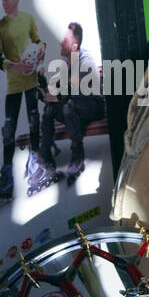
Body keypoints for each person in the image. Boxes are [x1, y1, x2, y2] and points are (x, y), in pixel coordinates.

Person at [0, 0, 46, 200]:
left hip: (31, 83)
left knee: (34, 124)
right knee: (8, 132)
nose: (4, 2)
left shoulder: (29, 19)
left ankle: (36, 166)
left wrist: (41, 49)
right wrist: (15, 65)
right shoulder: (0, 27)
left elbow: (39, 42)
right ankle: (7, 179)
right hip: (13, 86)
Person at [41, 22, 104, 186]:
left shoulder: (85, 58)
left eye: (65, 40)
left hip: (93, 106)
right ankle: (45, 154)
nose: (61, 42)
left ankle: (78, 156)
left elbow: (80, 85)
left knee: (69, 105)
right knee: (49, 109)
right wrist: (45, 92)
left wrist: (61, 85)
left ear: (74, 45)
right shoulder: (66, 62)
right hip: (75, 107)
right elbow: (57, 93)